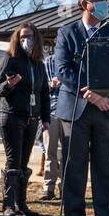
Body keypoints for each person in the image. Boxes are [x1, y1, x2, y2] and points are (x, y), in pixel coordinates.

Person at [53, 0, 109, 216]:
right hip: (75, 110)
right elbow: (63, 70)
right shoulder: (67, 33)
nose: (105, 3)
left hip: (105, 110)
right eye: (99, 0)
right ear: (84, 4)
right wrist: (87, 92)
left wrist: (104, 95)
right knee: (75, 168)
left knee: (105, 169)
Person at [0, 21, 49, 216]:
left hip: (32, 118)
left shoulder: (39, 64)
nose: (27, 40)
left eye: (31, 37)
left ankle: (21, 203)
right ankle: (8, 205)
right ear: (17, 39)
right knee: (13, 160)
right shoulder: (9, 59)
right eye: (23, 37)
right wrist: (9, 85)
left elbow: (44, 92)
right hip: (12, 115)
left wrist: (45, 118)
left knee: (24, 161)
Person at [39, 46, 63, 199]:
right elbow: (40, 88)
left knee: (65, 154)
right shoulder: (47, 62)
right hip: (51, 111)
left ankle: (64, 189)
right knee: (50, 152)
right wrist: (51, 85)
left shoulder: (76, 61)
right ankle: (48, 188)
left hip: (70, 112)